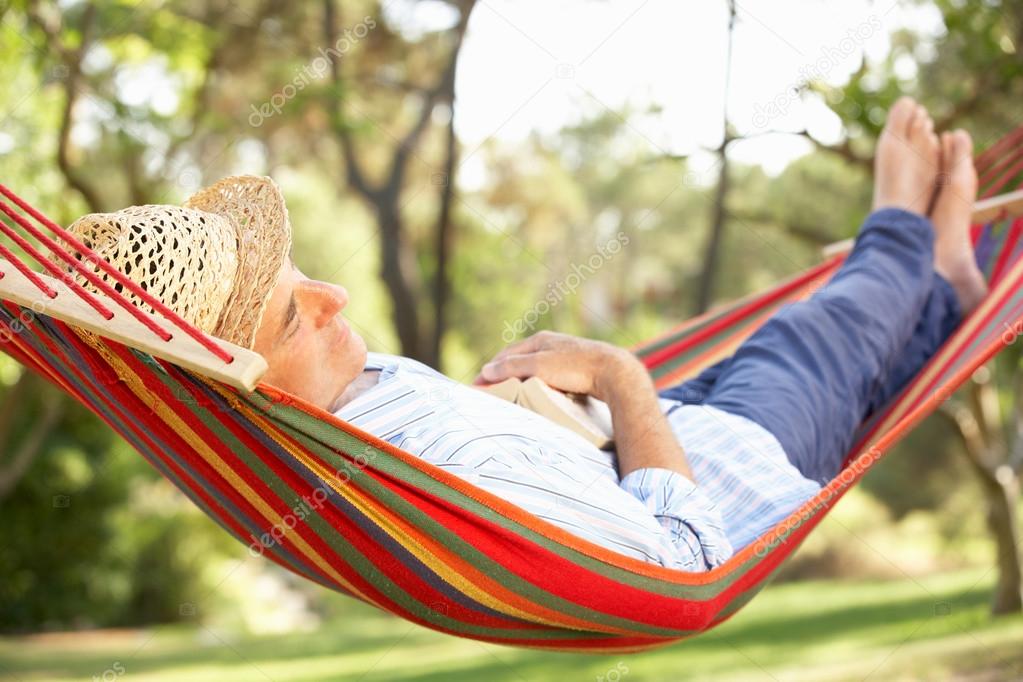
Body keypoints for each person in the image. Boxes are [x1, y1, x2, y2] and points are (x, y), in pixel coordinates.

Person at [62, 97, 987, 572]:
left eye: (309, 274)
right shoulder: (420, 472)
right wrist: (622, 376)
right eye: (301, 310)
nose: (340, 296)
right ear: (245, 378)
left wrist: (556, 389)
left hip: (653, 433)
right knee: (812, 337)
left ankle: (943, 284)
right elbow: (690, 557)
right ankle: (900, 231)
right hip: (725, 468)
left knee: (839, 358)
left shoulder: (339, 416)